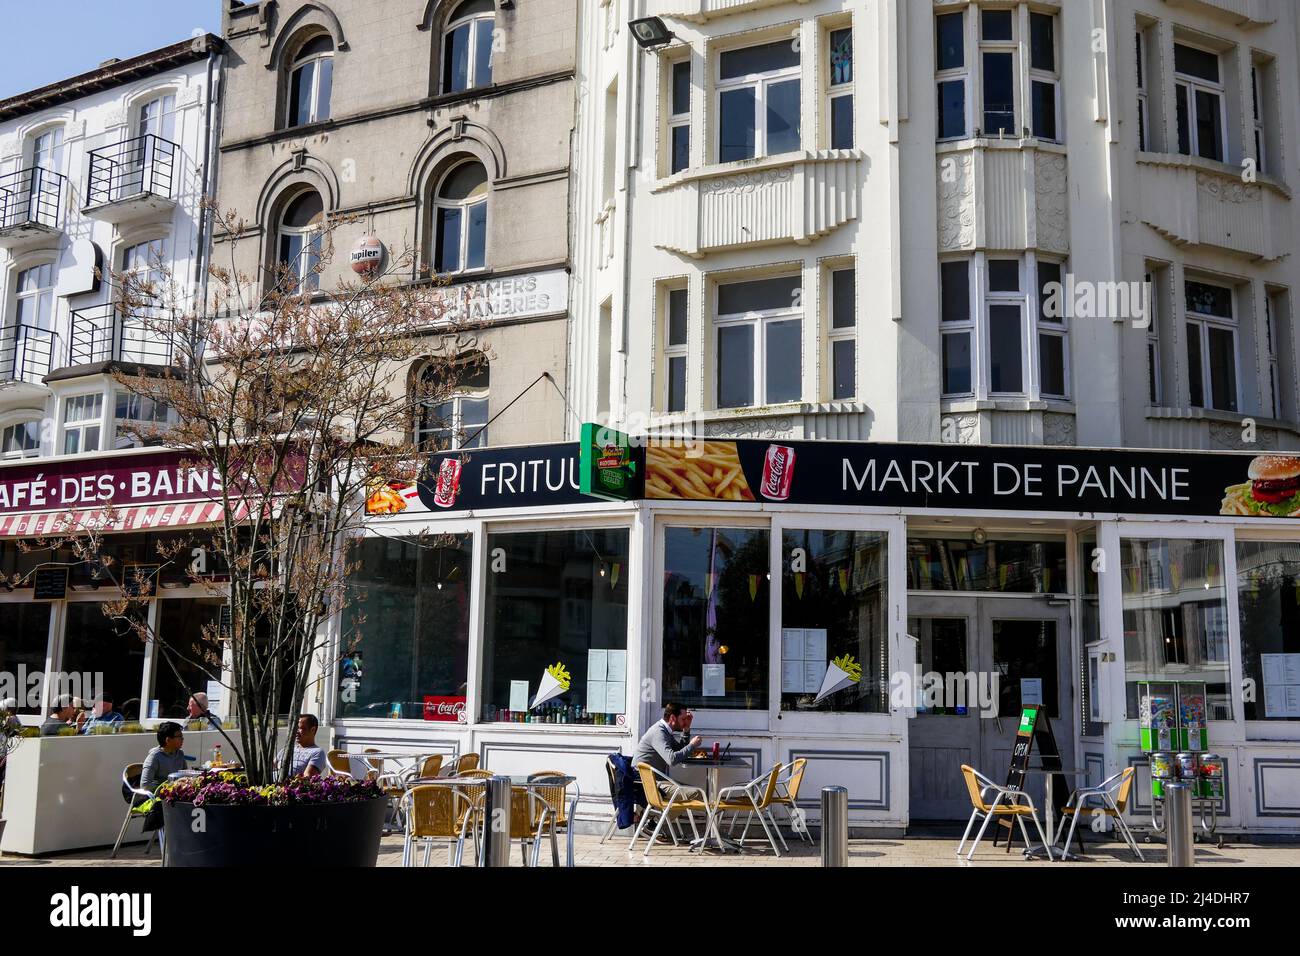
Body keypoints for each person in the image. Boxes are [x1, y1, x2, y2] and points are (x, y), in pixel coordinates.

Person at [633, 703, 704, 800]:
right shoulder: (659, 732)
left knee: (695, 791)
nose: (684, 722)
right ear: (673, 718)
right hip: (647, 784)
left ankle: (659, 815)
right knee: (696, 793)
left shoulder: (665, 731)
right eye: (683, 719)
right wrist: (692, 745)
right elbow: (671, 759)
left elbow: (678, 750)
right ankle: (661, 815)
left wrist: (686, 729)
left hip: (654, 781)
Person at [140, 722, 191, 854]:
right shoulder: (154, 757)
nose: (182, 739)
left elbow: (184, 775)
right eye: (179, 736)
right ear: (168, 740)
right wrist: (166, 788)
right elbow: (145, 784)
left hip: (176, 794)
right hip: (159, 797)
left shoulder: (179, 754)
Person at [278, 714, 327, 778]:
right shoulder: (286, 749)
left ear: (313, 730)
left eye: (300, 728)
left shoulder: (317, 752)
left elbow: (307, 779)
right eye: (295, 728)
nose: (296, 731)